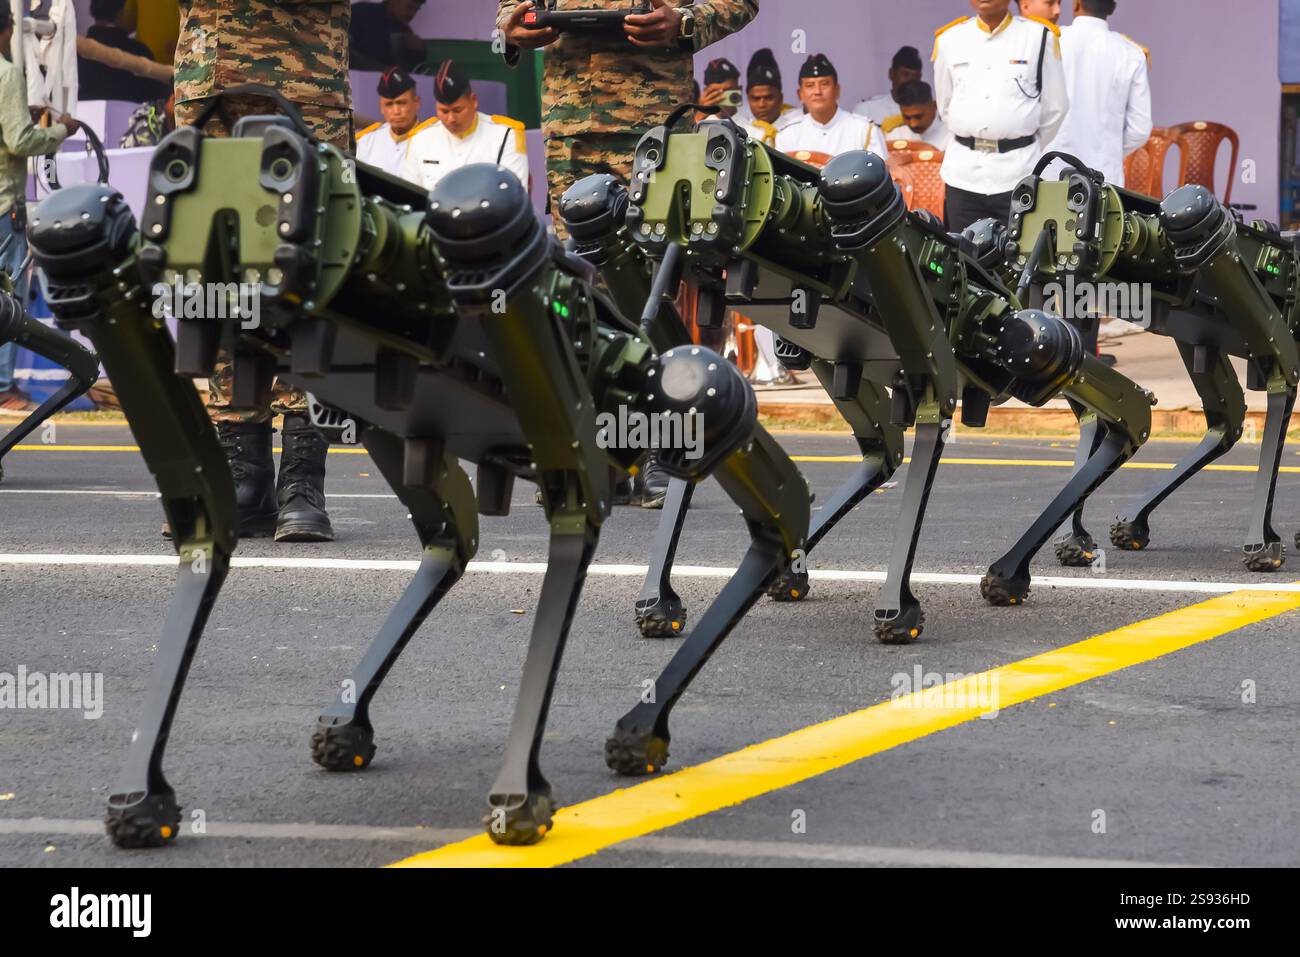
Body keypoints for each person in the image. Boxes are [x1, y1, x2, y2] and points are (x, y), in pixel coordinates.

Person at [497, 0, 759, 511]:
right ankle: (604, 449)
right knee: (580, 289)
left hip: (652, 124)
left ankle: (665, 445)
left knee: (654, 285)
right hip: (571, 122)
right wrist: (511, 28)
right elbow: (514, 9)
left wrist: (683, 22)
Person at [173, 0, 352, 542]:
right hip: (213, 74)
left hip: (308, 71)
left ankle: (302, 478)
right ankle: (241, 479)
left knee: (307, 265)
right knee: (221, 266)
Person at [0, 6, 78, 412]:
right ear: (7, 29)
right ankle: (2, 387)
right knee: (9, 299)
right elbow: (19, 142)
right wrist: (61, 130)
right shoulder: (7, 74)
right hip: (3, 204)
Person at [933, 0, 1069, 232]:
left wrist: (1020, 142)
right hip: (963, 174)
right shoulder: (949, 39)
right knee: (966, 259)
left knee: (1019, 259)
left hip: (1017, 173)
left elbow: (1056, 107)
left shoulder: (1038, 37)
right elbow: (945, 105)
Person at [1050, 0, 1151, 188]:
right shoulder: (1131, 53)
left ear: (1076, 3)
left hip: (1051, 172)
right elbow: (1140, 129)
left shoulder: (1051, 40)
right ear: (1111, 7)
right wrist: (1107, 151)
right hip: (1103, 176)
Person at [401, 60, 529, 192]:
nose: (451, 119)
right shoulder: (421, 139)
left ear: (473, 101)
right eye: (444, 111)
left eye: (457, 110)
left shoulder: (504, 136)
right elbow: (409, 196)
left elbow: (515, 196)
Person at [776, 53, 887, 162]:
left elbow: (881, 177)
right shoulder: (787, 134)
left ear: (837, 90)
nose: (817, 91)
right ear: (800, 95)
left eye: (824, 84)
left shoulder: (864, 130)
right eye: (810, 85)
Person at [77, 0, 170, 103]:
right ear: (122, 11)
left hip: (82, 117)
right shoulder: (139, 52)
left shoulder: (75, 54)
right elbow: (158, 97)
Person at [355, 67, 433, 178]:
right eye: (389, 104)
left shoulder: (432, 140)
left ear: (416, 103)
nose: (396, 111)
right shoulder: (366, 143)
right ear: (381, 107)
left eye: (401, 103)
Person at [853, 45, 924, 132]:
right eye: (905, 74)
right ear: (891, 74)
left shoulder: (928, 113)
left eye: (915, 76)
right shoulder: (866, 110)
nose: (910, 80)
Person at [734, 48, 796, 146]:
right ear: (748, 99)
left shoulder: (797, 129)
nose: (762, 104)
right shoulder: (739, 134)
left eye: (769, 98)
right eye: (755, 98)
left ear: (781, 98)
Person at [350, 0, 427, 72]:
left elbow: (406, 72)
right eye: (409, 7)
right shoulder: (360, 12)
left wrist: (418, 53)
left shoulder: (405, 32)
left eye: (416, 10)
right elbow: (343, 53)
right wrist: (383, 70)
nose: (412, 14)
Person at [888, 79, 952, 150]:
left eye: (918, 116)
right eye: (907, 117)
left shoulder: (952, 138)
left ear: (934, 106)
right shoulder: (896, 136)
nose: (913, 124)